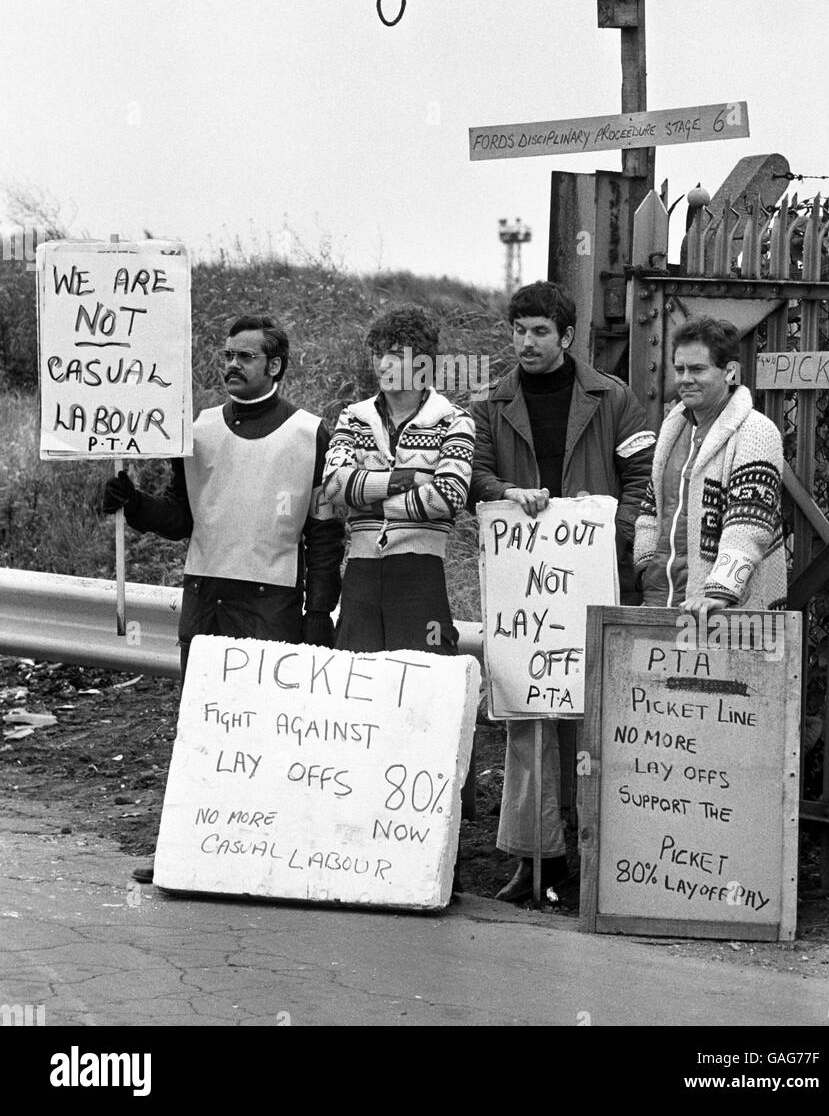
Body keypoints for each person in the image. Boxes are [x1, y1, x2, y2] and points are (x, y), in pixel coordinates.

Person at [103, 312, 344, 882]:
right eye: (228, 354)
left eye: (246, 356)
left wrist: (318, 613)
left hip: (273, 603)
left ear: (275, 365)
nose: (231, 364)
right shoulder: (198, 429)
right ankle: (184, 852)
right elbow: (180, 517)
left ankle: (262, 857)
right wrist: (132, 503)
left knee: (265, 734)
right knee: (200, 730)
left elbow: (326, 536)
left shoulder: (311, 433)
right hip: (206, 595)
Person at [470, 281, 655, 903]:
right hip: (524, 588)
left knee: (591, 719)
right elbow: (474, 474)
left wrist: (613, 538)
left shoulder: (613, 397)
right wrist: (504, 494)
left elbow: (641, 476)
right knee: (529, 720)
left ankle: (590, 858)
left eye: (539, 331)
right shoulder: (489, 403)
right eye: (518, 330)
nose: (526, 342)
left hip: (594, 583)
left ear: (567, 336)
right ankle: (533, 862)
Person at [322, 306, 476, 884]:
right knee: (355, 704)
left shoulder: (454, 420)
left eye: (401, 357)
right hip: (360, 575)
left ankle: (434, 854)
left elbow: (451, 498)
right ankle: (354, 843)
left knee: (425, 709)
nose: (388, 366)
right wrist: (407, 480)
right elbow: (335, 493)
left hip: (420, 574)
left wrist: (372, 493)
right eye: (381, 354)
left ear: (426, 365)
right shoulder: (352, 416)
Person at [634, 316, 786, 611]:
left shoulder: (755, 431)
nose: (685, 378)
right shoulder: (673, 428)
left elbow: (749, 524)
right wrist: (645, 569)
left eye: (697, 369)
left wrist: (721, 592)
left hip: (725, 613)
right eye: (680, 369)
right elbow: (651, 507)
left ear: (730, 372)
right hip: (661, 604)